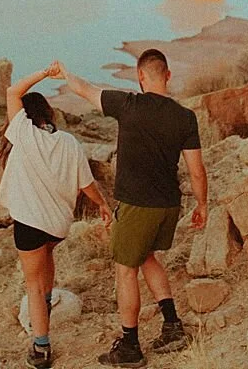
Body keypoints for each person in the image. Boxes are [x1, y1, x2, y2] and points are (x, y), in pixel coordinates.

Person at [63, 49, 207, 367]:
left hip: (138, 205)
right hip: (169, 205)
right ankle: (172, 326)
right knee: (146, 258)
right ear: (167, 75)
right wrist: (202, 204)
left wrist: (63, 73)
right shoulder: (186, 117)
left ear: (140, 76)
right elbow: (196, 170)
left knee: (125, 270)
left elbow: (84, 89)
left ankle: (130, 347)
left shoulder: (127, 104)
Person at [0, 62, 113, 368]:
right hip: (58, 227)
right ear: (48, 114)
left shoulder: (23, 134)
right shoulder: (69, 142)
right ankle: (45, 306)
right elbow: (87, 185)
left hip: (30, 224)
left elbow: (12, 90)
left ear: (25, 116)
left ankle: (41, 348)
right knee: (47, 259)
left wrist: (44, 73)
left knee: (32, 283)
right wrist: (103, 205)